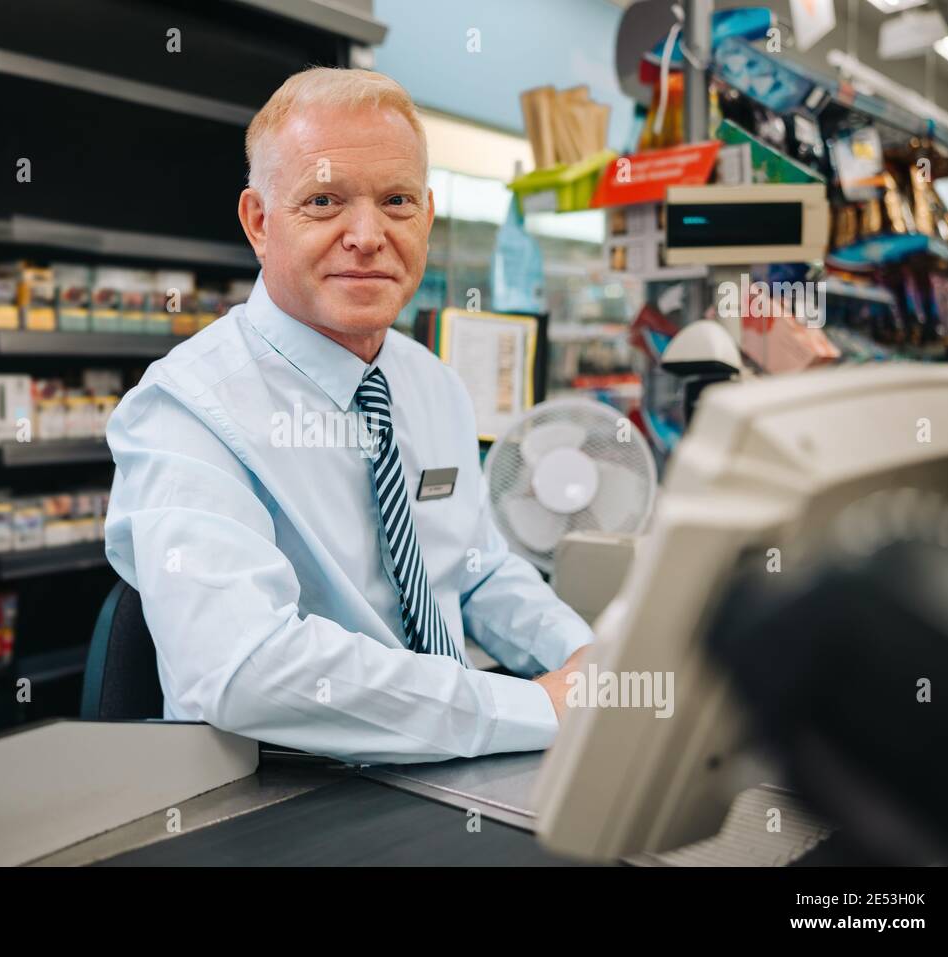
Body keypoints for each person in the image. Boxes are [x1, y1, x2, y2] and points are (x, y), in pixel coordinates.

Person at [105, 67, 592, 764]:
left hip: (451, 767)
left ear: (425, 218)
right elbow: (245, 670)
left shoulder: (434, 386)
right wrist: (535, 705)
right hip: (276, 799)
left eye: (396, 201)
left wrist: (587, 658)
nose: (366, 235)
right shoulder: (183, 410)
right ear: (259, 222)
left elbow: (476, 567)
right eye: (325, 200)